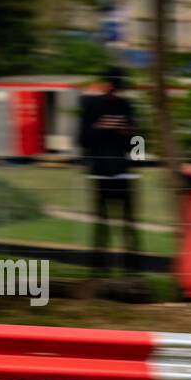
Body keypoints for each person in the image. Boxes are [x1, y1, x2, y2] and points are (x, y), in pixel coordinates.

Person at [80, 68, 140, 273]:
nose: (115, 92)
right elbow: (83, 139)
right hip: (100, 170)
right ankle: (98, 270)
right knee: (101, 221)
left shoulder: (128, 106)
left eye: (118, 89)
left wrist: (128, 133)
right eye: (113, 87)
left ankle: (132, 269)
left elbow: (137, 141)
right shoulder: (92, 105)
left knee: (128, 223)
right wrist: (101, 127)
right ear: (106, 86)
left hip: (123, 169)